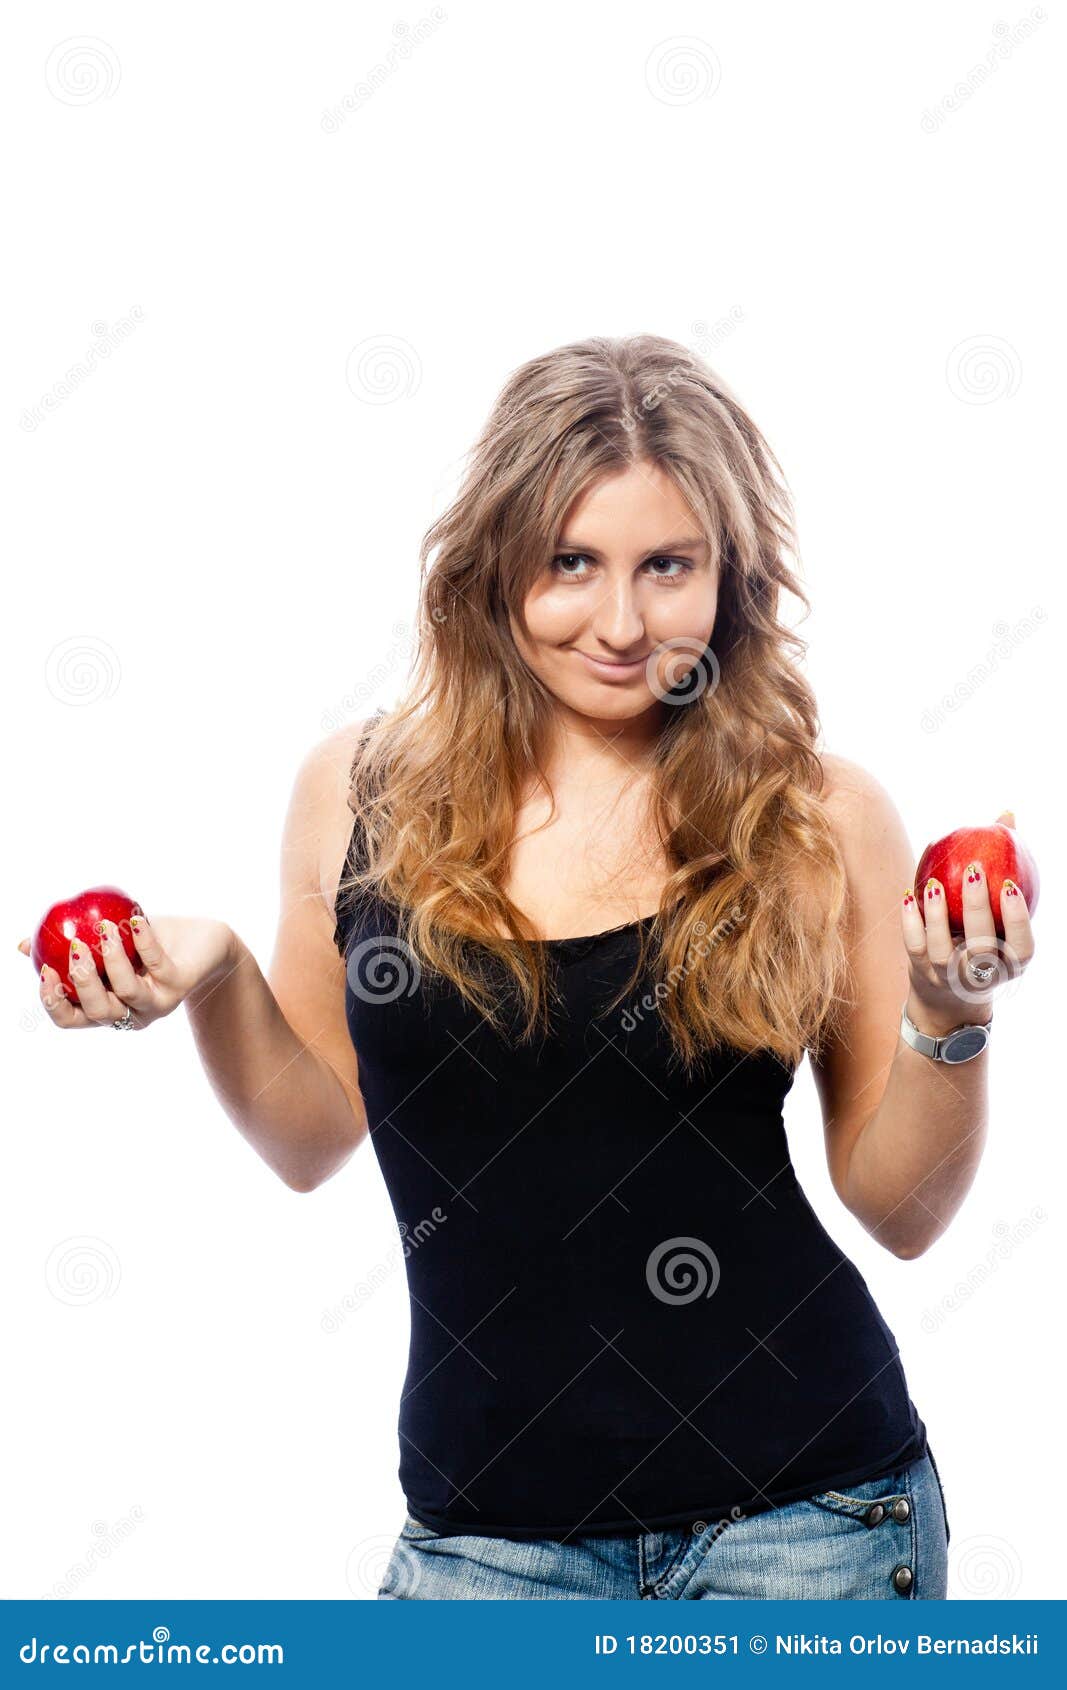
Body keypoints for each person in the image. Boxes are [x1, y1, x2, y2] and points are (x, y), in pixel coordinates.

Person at [22, 335, 1034, 1601]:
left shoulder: (814, 814)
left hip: (808, 1523)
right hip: (485, 1540)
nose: (619, 624)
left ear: (731, 579)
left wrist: (951, 1009)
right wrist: (220, 977)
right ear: (495, 567)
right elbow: (307, 1139)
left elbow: (902, 1209)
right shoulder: (360, 793)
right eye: (571, 564)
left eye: (667, 566)